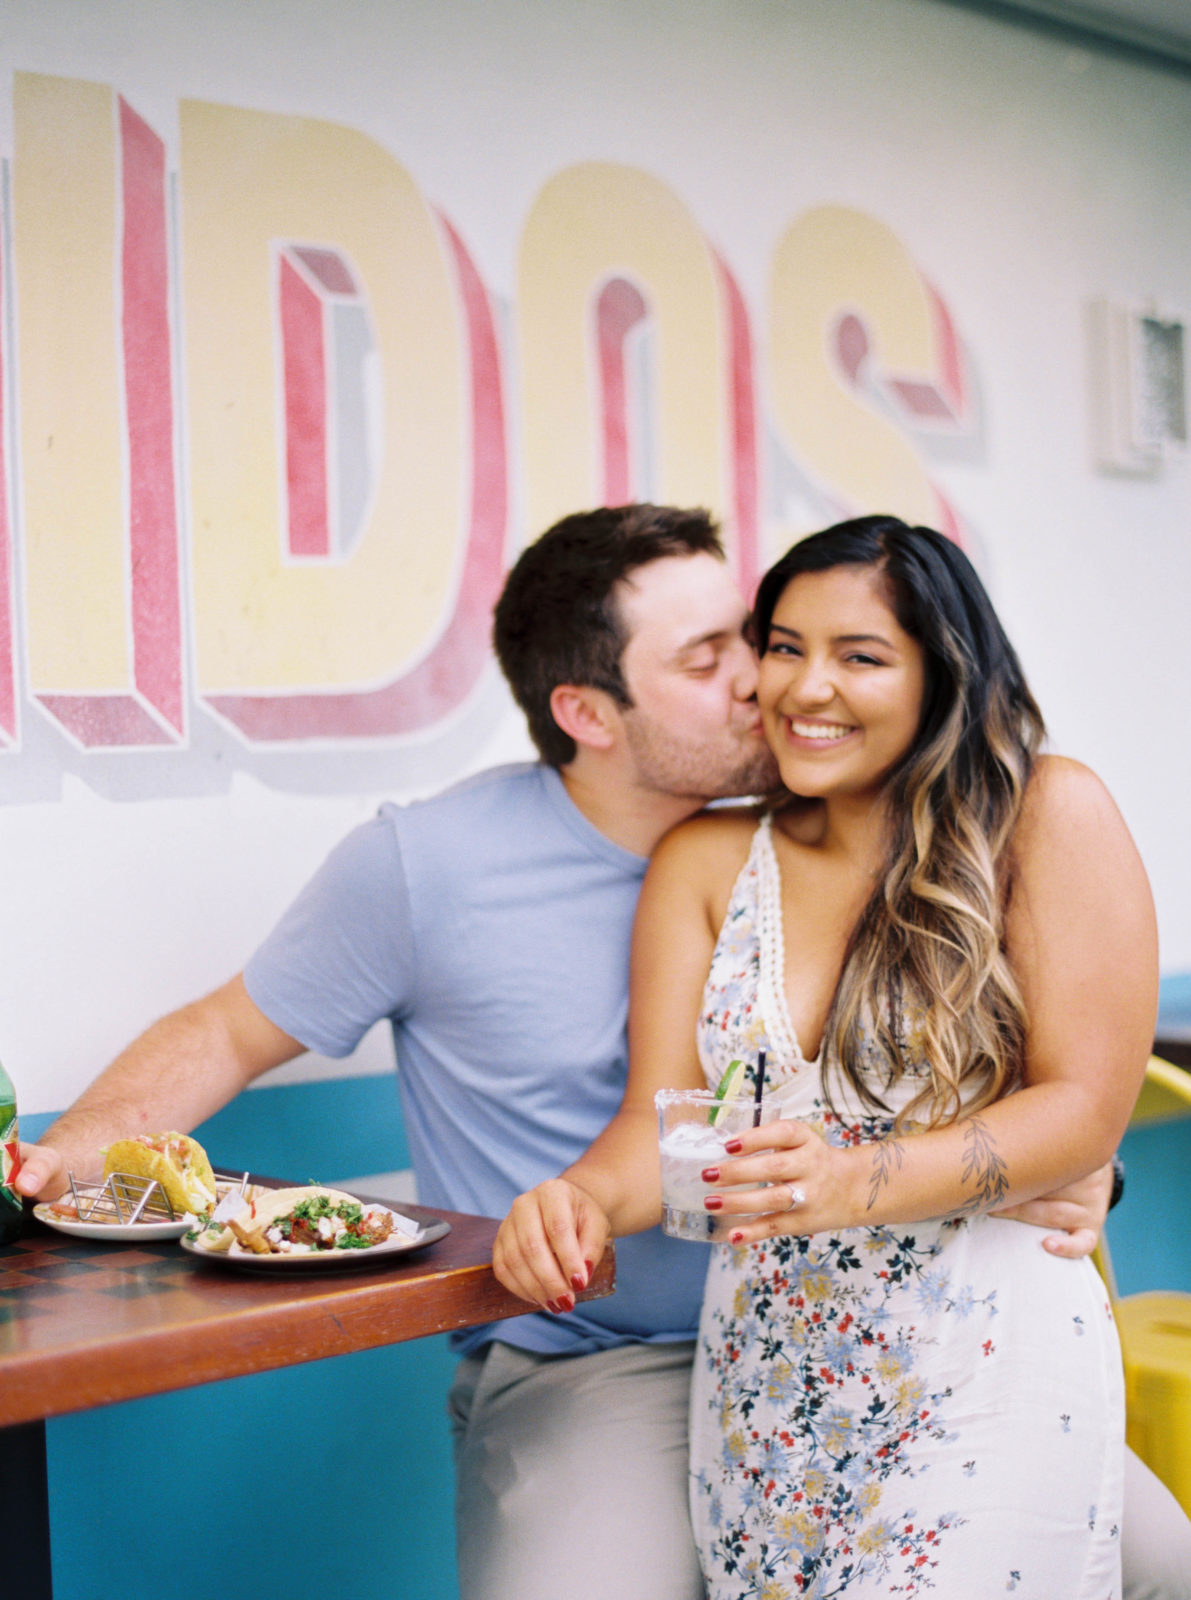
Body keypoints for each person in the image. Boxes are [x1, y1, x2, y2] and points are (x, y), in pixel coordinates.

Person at [16, 506, 1186, 1600]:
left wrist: (1056, 1158)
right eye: (722, 655)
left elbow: (1053, 1078)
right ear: (589, 712)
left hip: (922, 1317)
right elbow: (228, 1029)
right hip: (610, 1360)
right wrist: (66, 1149)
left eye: (759, 639)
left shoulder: (940, 809)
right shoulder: (443, 865)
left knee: (1157, 1559)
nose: (767, 683)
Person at [494, 515, 1173, 1597]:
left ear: (940, 672)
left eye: (860, 655)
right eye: (783, 645)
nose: (806, 687)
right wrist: (573, 1200)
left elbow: (1086, 1106)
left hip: (981, 1358)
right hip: (768, 1384)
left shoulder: (1047, 814)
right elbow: (656, 1126)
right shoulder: (706, 859)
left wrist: (854, 1178)